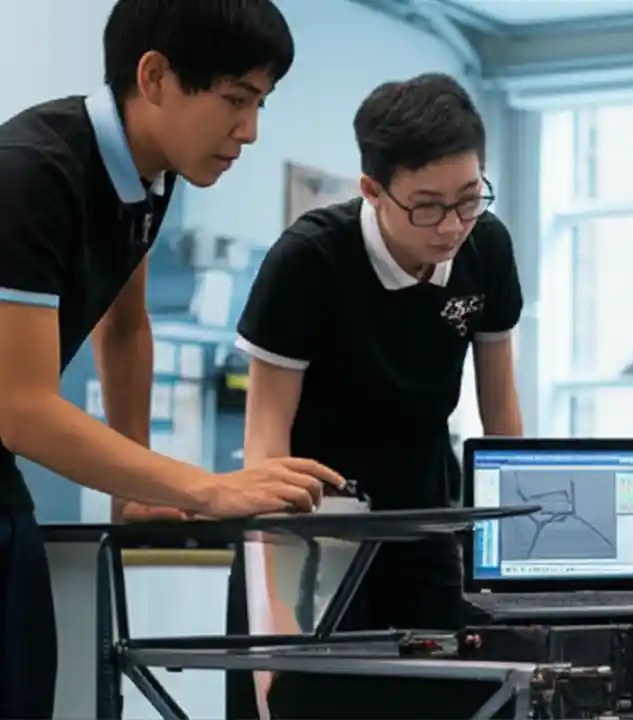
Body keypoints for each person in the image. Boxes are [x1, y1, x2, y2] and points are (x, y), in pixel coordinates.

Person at [0, 2, 348, 717]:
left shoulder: (147, 176)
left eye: (260, 104)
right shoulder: (31, 174)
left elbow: (125, 326)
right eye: (235, 101)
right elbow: (20, 409)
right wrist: (203, 487)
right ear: (154, 76)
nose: (249, 132)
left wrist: (135, 483)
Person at [225, 72, 524, 719]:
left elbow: (501, 418)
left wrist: (522, 561)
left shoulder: (487, 248)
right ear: (372, 190)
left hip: (423, 520)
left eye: (469, 199)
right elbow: (264, 440)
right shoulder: (309, 260)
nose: (451, 226)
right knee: (304, 704)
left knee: (462, 699)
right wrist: (275, 613)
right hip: (310, 530)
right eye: (427, 205)